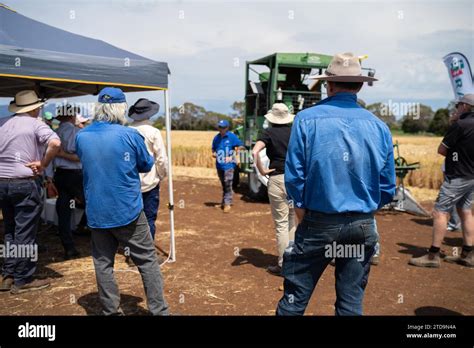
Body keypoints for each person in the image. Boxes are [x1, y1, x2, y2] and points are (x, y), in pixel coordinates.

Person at [276, 52, 395, 316]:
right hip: (361, 224)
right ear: (360, 85)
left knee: (295, 300)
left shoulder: (306, 119)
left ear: (328, 85)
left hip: (319, 222)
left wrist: (303, 211)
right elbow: (387, 186)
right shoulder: (379, 126)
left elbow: (295, 176)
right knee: (351, 303)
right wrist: (366, 210)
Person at [76, 87, 169, 315]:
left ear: (98, 108)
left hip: (97, 211)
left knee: (103, 263)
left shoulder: (82, 136)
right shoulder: (130, 135)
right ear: (121, 109)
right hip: (127, 209)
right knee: (147, 260)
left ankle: (111, 311)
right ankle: (159, 311)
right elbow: (146, 165)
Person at [0, 90, 61, 294]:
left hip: (2, 183)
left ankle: (8, 274)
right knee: (25, 231)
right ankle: (22, 279)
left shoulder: (2, 122)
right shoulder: (36, 124)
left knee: (10, 228)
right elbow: (56, 143)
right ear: (34, 107)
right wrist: (43, 164)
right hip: (24, 182)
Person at [409, 94, 474, 268]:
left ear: (465, 106)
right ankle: (468, 254)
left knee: (440, 212)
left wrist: (454, 124)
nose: (455, 109)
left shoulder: (460, 125)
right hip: (472, 176)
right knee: (465, 211)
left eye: (457, 106)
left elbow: (442, 150)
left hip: (457, 176)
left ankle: (433, 255)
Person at [252, 103, 296, 276]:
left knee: (281, 224)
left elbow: (255, 152)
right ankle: (293, 262)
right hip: (294, 181)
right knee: (292, 220)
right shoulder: (294, 132)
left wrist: (261, 171)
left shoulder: (268, 133)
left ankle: (283, 264)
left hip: (277, 179)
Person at [128, 98, 168, 241]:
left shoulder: (126, 131)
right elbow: (161, 159)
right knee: (149, 218)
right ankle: (148, 254)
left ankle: (133, 250)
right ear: (149, 114)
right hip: (150, 183)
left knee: (132, 219)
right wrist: (161, 175)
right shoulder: (153, 132)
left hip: (130, 183)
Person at [51, 104, 85, 260]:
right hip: (75, 174)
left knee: (64, 208)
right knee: (92, 203)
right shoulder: (75, 132)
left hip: (60, 175)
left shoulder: (55, 133)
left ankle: (69, 246)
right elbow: (77, 154)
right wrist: (64, 154)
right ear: (72, 116)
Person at [211, 120, 243, 213]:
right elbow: (213, 149)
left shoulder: (232, 136)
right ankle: (224, 202)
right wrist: (214, 154)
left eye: (222, 127)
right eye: (219, 127)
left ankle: (227, 204)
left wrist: (233, 155)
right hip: (219, 165)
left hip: (229, 165)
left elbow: (240, 146)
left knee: (228, 183)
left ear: (227, 128)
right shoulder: (216, 138)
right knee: (223, 184)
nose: (220, 129)